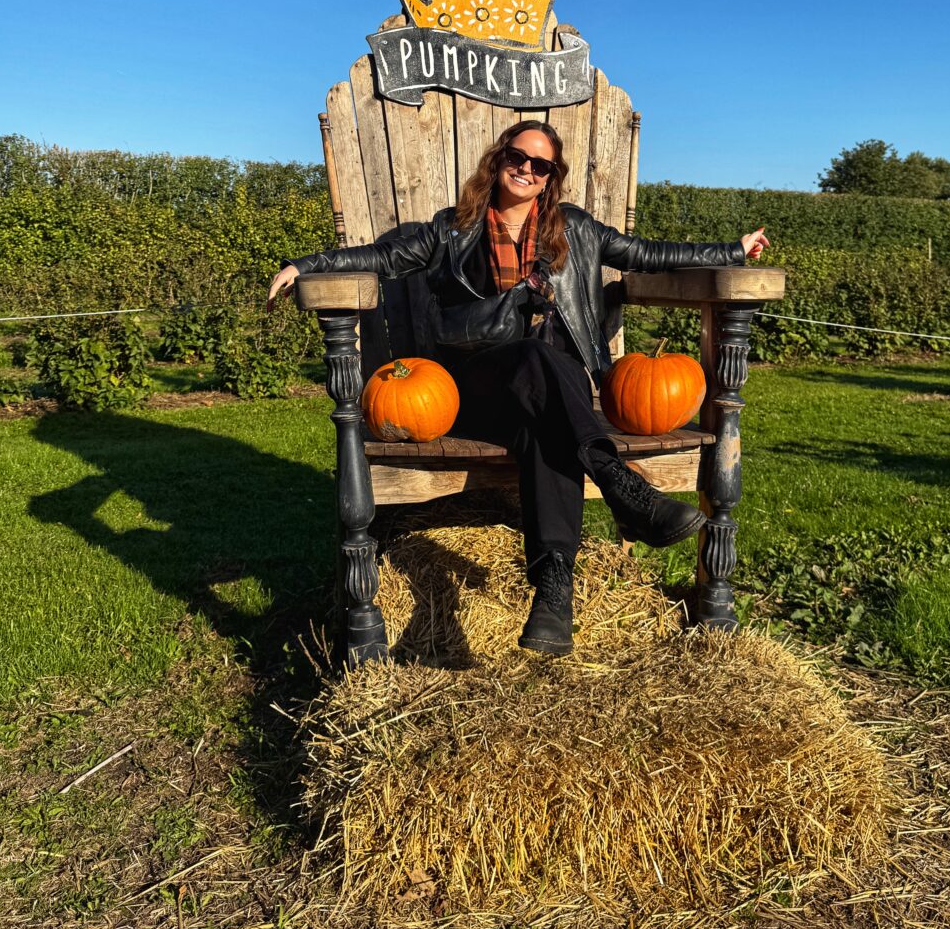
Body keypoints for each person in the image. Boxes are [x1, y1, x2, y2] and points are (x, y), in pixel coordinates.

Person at [267, 121, 768, 657]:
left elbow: (646, 254)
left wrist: (732, 251)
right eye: (518, 156)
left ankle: (553, 598)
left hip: (554, 395)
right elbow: (380, 259)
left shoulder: (575, 229)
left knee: (546, 422)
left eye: (541, 164)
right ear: (498, 157)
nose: (526, 169)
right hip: (470, 390)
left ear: (552, 177)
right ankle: (620, 486)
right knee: (535, 361)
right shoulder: (451, 229)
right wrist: (307, 265)